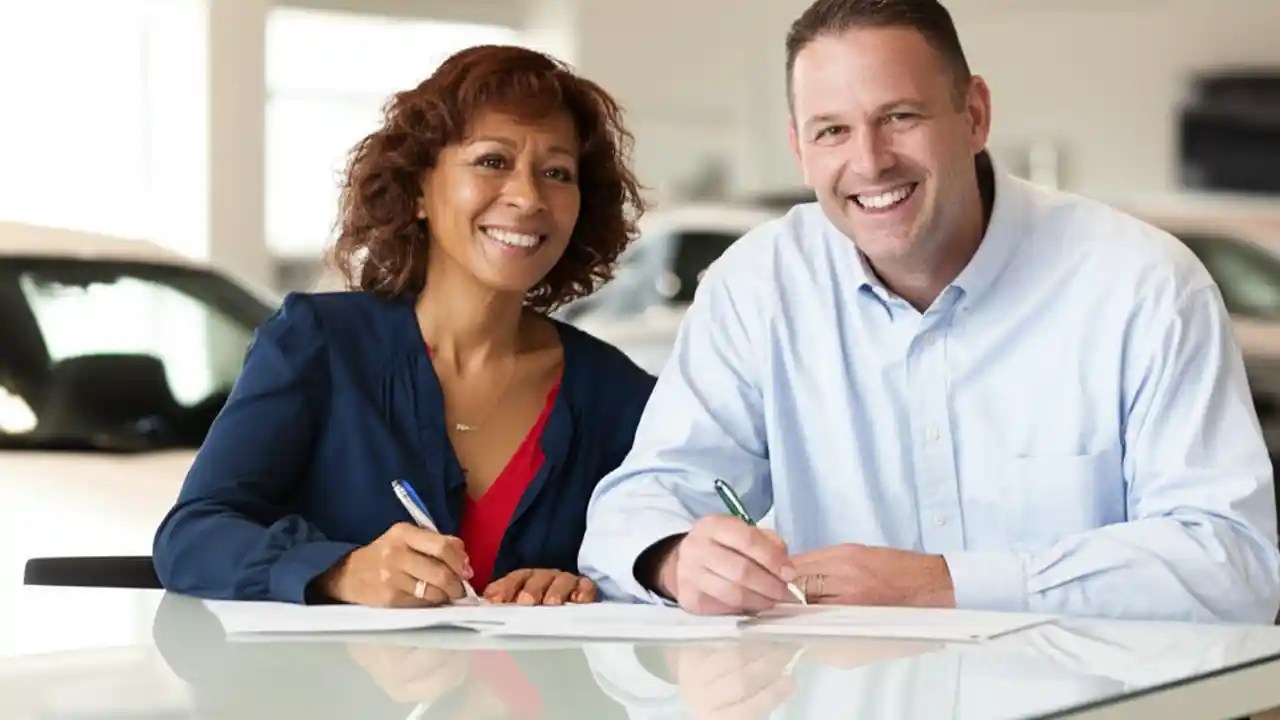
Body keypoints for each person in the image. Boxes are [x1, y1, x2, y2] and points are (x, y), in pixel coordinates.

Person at [578, 0, 1280, 622]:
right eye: (832, 131)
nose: (871, 161)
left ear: (973, 116)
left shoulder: (1142, 286)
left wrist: (943, 584)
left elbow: (1234, 566)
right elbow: (635, 509)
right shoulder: (757, 287)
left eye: (900, 117)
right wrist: (675, 558)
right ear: (799, 149)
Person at [153, 44, 655, 607]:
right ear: (418, 189)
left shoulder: (620, 396)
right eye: (492, 161)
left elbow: (655, 559)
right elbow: (191, 537)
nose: (528, 196)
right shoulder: (319, 344)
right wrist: (339, 571)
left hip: (544, 697)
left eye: (557, 172)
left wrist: (593, 586)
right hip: (334, 695)